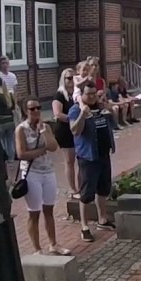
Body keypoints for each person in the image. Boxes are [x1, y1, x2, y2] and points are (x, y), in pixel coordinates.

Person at [15, 98, 67, 255]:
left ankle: (53, 244)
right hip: (32, 173)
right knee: (34, 211)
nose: (36, 111)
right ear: (26, 111)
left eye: (38, 108)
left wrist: (44, 131)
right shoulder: (21, 129)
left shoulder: (45, 127)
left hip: (48, 170)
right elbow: (21, 153)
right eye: (32, 109)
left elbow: (53, 147)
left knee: (49, 209)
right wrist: (39, 151)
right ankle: (37, 248)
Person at [69, 80, 116, 242]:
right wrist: (83, 113)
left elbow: (111, 125)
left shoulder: (101, 107)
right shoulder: (76, 110)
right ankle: (84, 226)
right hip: (88, 156)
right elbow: (75, 130)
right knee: (87, 192)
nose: (92, 97)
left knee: (103, 188)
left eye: (94, 93)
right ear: (81, 95)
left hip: (103, 153)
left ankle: (102, 219)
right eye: (88, 94)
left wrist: (110, 110)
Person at [51, 69, 79, 199]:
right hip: (65, 130)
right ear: (63, 79)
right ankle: (72, 188)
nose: (71, 80)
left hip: (78, 129)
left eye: (73, 77)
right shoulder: (60, 94)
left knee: (81, 158)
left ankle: (81, 185)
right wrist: (73, 119)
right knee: (69, 161)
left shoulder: (77, 93)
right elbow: (58, 114)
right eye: (68, 78)